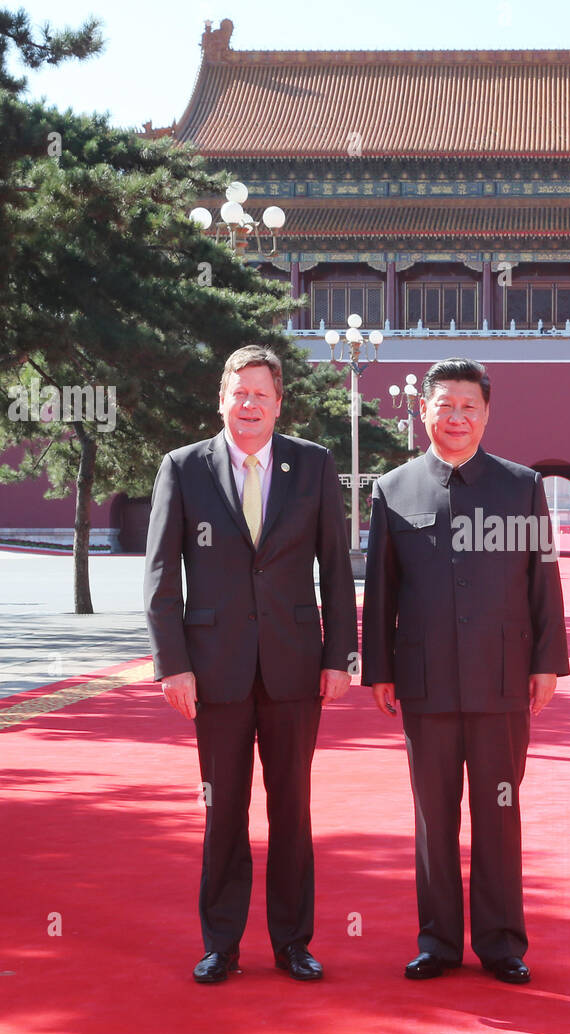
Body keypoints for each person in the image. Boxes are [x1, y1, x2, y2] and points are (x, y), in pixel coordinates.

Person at [144, 344, 356, 984]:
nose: (250, 405)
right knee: (224, 809)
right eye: (239, 394)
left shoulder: (313, 466)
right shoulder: (183, 468)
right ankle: (222, 944)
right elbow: (161, 576)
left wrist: (340, 655)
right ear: (222, 399)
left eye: (262, 394)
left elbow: (337, 572)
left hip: (294, 667)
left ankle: (294, 942)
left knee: (293, 810)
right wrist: (172, 665)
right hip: (215, 670)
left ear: (278, 402)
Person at [362, 357, 569, 985]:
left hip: (503, 679)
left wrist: (547, 664)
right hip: (424, 679)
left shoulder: (520, 486)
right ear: (423, 410)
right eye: (444, 405)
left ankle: (503, 942)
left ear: (486, 414)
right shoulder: (394, 489)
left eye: (468, 407)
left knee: (499, 811)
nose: (456, 418)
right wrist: (378, 668)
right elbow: (381, 591)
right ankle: (438, 941)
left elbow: (543, 579)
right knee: (434, 815)